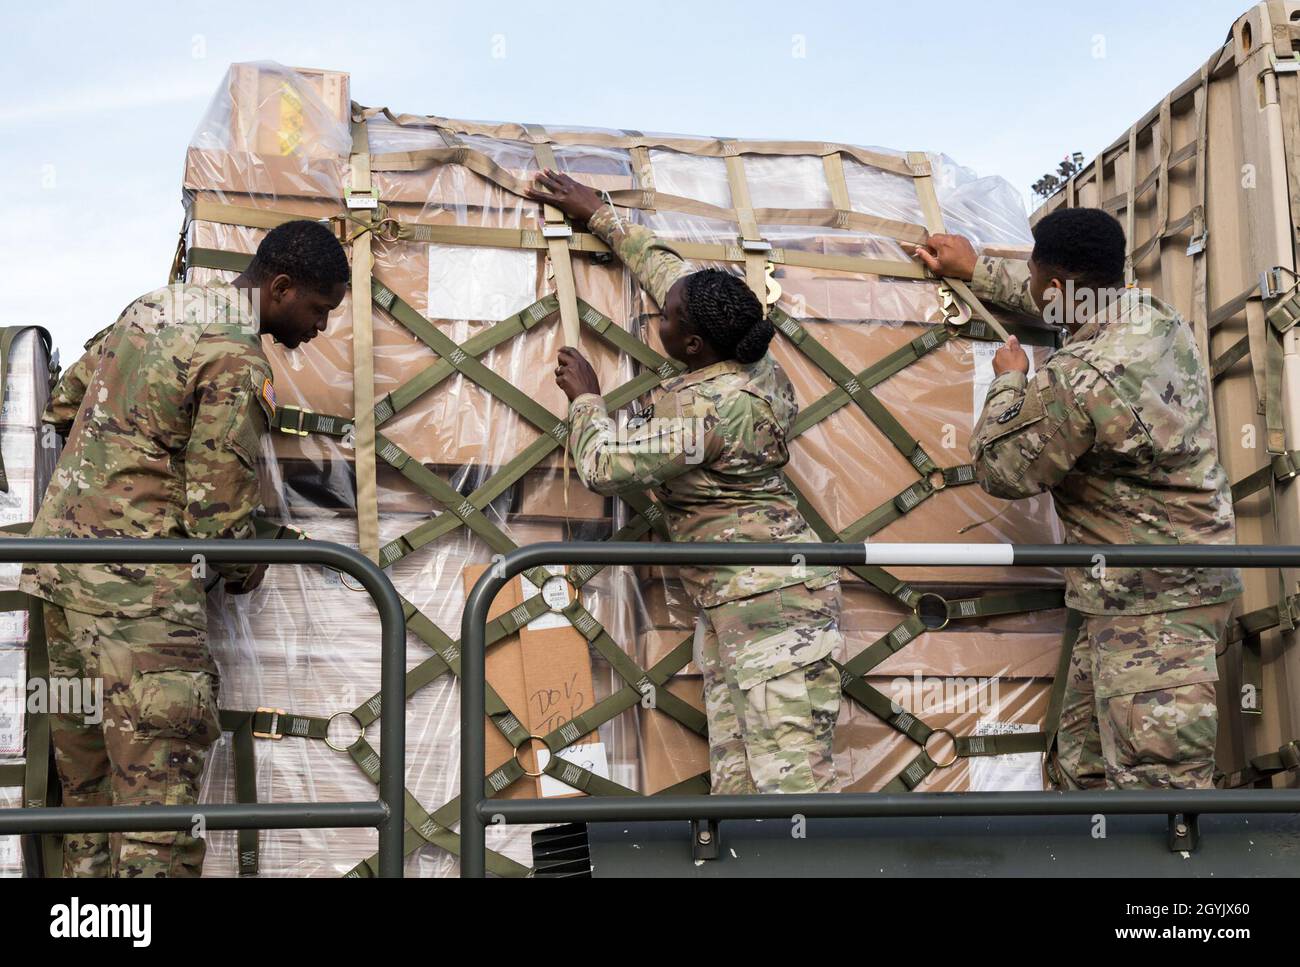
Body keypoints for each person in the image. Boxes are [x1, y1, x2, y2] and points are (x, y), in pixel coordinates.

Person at [22, 219, 349, 876]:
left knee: (89, 803)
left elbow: (66, 398)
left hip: (61, 577)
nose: (319, 330)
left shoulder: (153, 305)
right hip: (140, 605)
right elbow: (216, 520)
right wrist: (253, 563)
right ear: (281, 287)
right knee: (158, 817)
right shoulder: (236, 358)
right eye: (318, 310)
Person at [527, 169, 843, 795]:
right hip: (739, 603)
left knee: (794, 785)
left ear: (693, 343)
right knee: (739, 782)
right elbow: (675, 279)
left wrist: (588, 399)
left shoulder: (707, 416)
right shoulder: (753, 362)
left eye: (666, 321)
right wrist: (601, 216)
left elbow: (603, 467)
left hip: (772, 612)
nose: (657, 320)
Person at [915, 208, 1242, 791]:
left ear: (1061, 285)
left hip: (1153, 612)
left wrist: (1010, 379)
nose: (1036, 289)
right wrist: (979, 272)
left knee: (1157, 789)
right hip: (1139, 597)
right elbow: (1062, 301)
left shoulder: (1085, 376)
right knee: (1083, 771)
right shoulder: (1150, 315)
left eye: (1038, 278)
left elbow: (1003, 469)